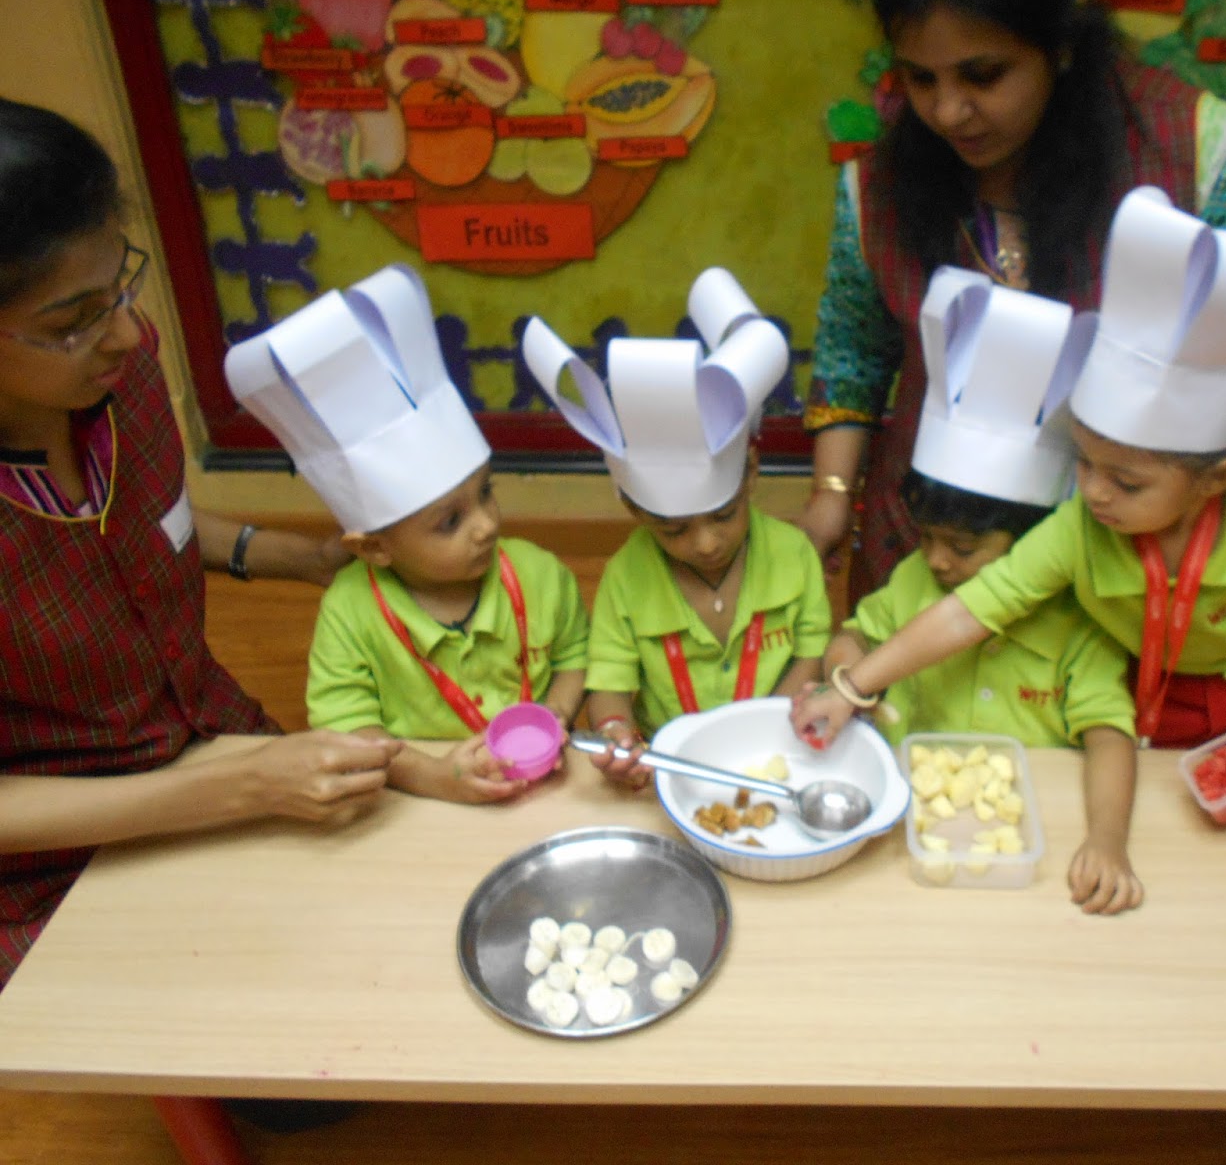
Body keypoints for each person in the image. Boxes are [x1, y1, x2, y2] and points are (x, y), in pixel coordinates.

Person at [0, 98, 398, 993]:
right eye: (73, 319)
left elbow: (141, 517)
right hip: (47, 854)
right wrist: (239, 790)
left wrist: (305, 558)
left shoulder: (113, 370)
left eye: (123, 287)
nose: (130, 336)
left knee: (366, 933)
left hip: (205, 734)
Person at [794, 187, 1226, 797]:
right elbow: (971, 611)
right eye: (1083, 463)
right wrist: (852, 685)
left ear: (1219, 478)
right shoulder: (1079, 527)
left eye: (1126, 482)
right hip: (1139, 683)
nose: (1093, 493)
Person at [795, 0, 1226, 603]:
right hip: (932, 540)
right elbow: (855, 349)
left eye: (983, 76)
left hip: (1115, 549)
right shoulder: (880, 183)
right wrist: (832, 496)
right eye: (920, 79)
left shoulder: (1195, 148)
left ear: (1060, 46)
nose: (949, 111)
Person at [823, 265, 1142, 912]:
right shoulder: (917, 579)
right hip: (906, 842)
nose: (936, 562)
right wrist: (847, 673)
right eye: (926, 538)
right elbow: (854, 635)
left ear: (1034, 545)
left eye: (964, 549)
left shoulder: (1076, 620)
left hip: (1029, 851)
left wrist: (1107, 840)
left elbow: (1110, 735)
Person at [226, 265, 589, 805]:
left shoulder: (538, 574)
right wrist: (433, 777)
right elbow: (353, 729)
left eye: (486, 492)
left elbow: (573, 653)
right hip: (422, 801)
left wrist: (556, 714)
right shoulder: (350, 615)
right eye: (450, 521)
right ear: (374, 548)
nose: (487, 524)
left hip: (547, 788)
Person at [522, 268, 832, 787]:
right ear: (631, 506)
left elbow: (810, 654)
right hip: (673, 772)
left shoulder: (795, 554)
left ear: (751, 473)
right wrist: (617, 731)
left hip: (775, 762)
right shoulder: (625, 578)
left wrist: (758, 736)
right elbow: (610, 686)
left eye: (724, 515)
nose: (706, 542)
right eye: (673, 530)